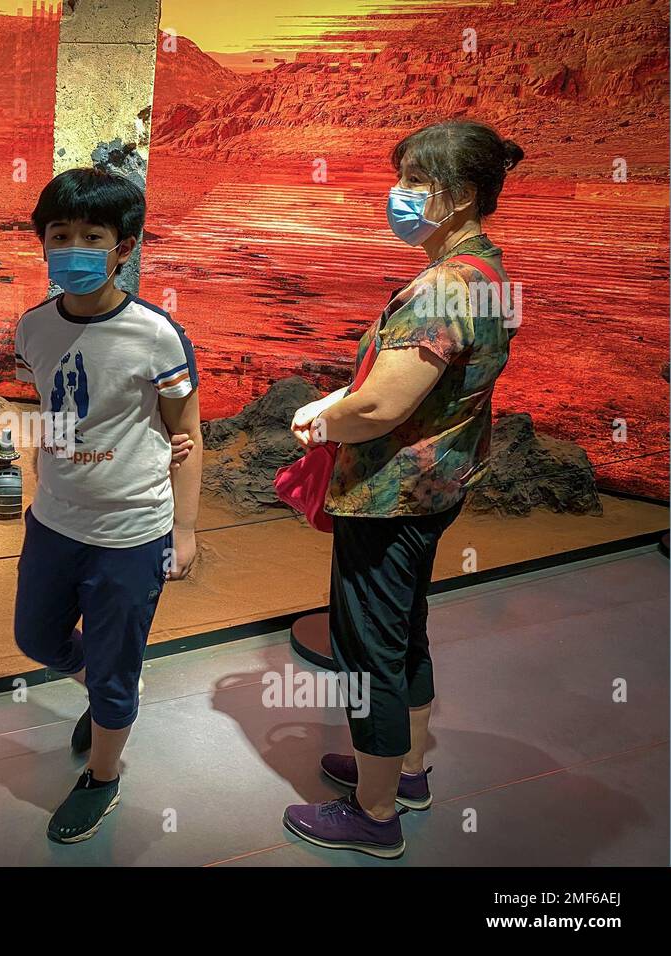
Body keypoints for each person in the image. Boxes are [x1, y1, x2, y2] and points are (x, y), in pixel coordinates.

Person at [282, 120, 523, 859]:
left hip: (389, 496)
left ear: (460, 197)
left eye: (417, 184)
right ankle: (407, 769)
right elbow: (440, 389)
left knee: (369, 653)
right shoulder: (492, 275)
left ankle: (375, 813)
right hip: (438, 487)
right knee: (404, 630)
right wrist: (340, 404)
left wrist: (323, 421)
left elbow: (383, 409)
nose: (401, 196)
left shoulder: (441, 288)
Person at [12, 167, 203, 843]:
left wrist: (183, 529)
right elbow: (52, 410)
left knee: (118, 675)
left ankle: (102, 775)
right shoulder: (32, 327)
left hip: (131, 531)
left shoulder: (155, 334)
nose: (73, 248)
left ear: (125, 246)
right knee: (35, 637)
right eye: (59, 234)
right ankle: (103, 681)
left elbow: (187, 429)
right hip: (55, 520)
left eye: (92, 235)